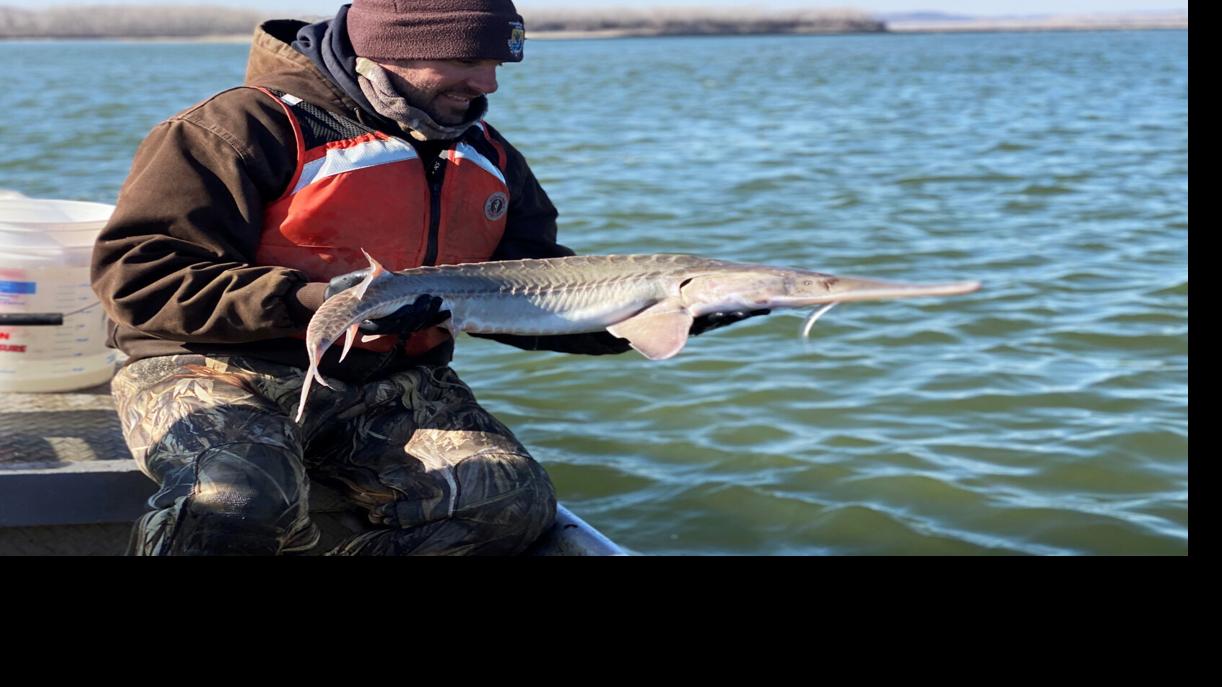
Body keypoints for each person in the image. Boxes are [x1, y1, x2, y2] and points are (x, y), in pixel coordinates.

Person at [91, 0, 760, 555]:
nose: (489, 84)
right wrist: (322, 302)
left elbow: (535, 294)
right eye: (468, 61)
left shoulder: (489, 156)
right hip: (211, 367)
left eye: (496, 63)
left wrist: (655, 315)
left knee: (512, 501)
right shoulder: (238, 127)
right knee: (236, 499)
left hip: (387, 382)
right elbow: (139, 279)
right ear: (389, 51)